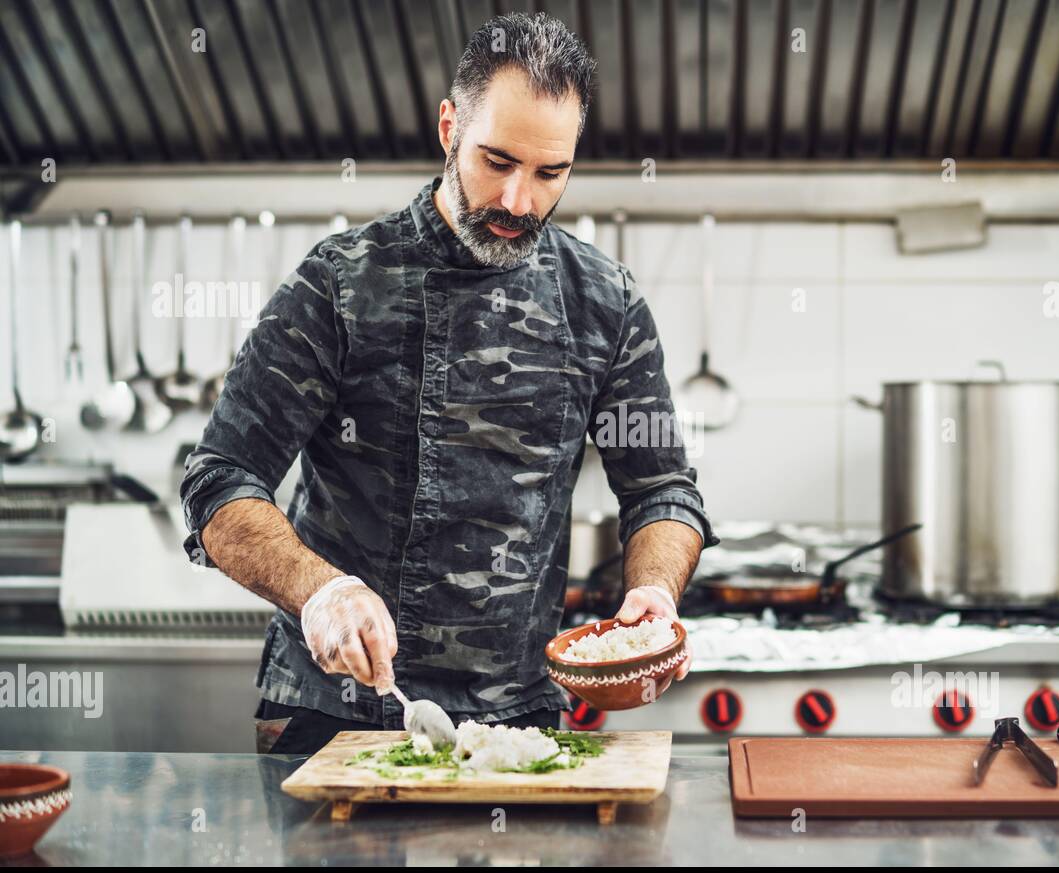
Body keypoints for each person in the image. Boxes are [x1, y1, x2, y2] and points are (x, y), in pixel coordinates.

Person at [180, 12, 716, 754]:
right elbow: (219, 478)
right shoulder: (340, 283)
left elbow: (661, 489)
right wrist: (319, 590)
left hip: (518, 722)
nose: (518, 202)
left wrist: (654, 594)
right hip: (334, 715)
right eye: (496, 161)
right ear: (448, 128)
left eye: (549, 173)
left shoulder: (604, 302)